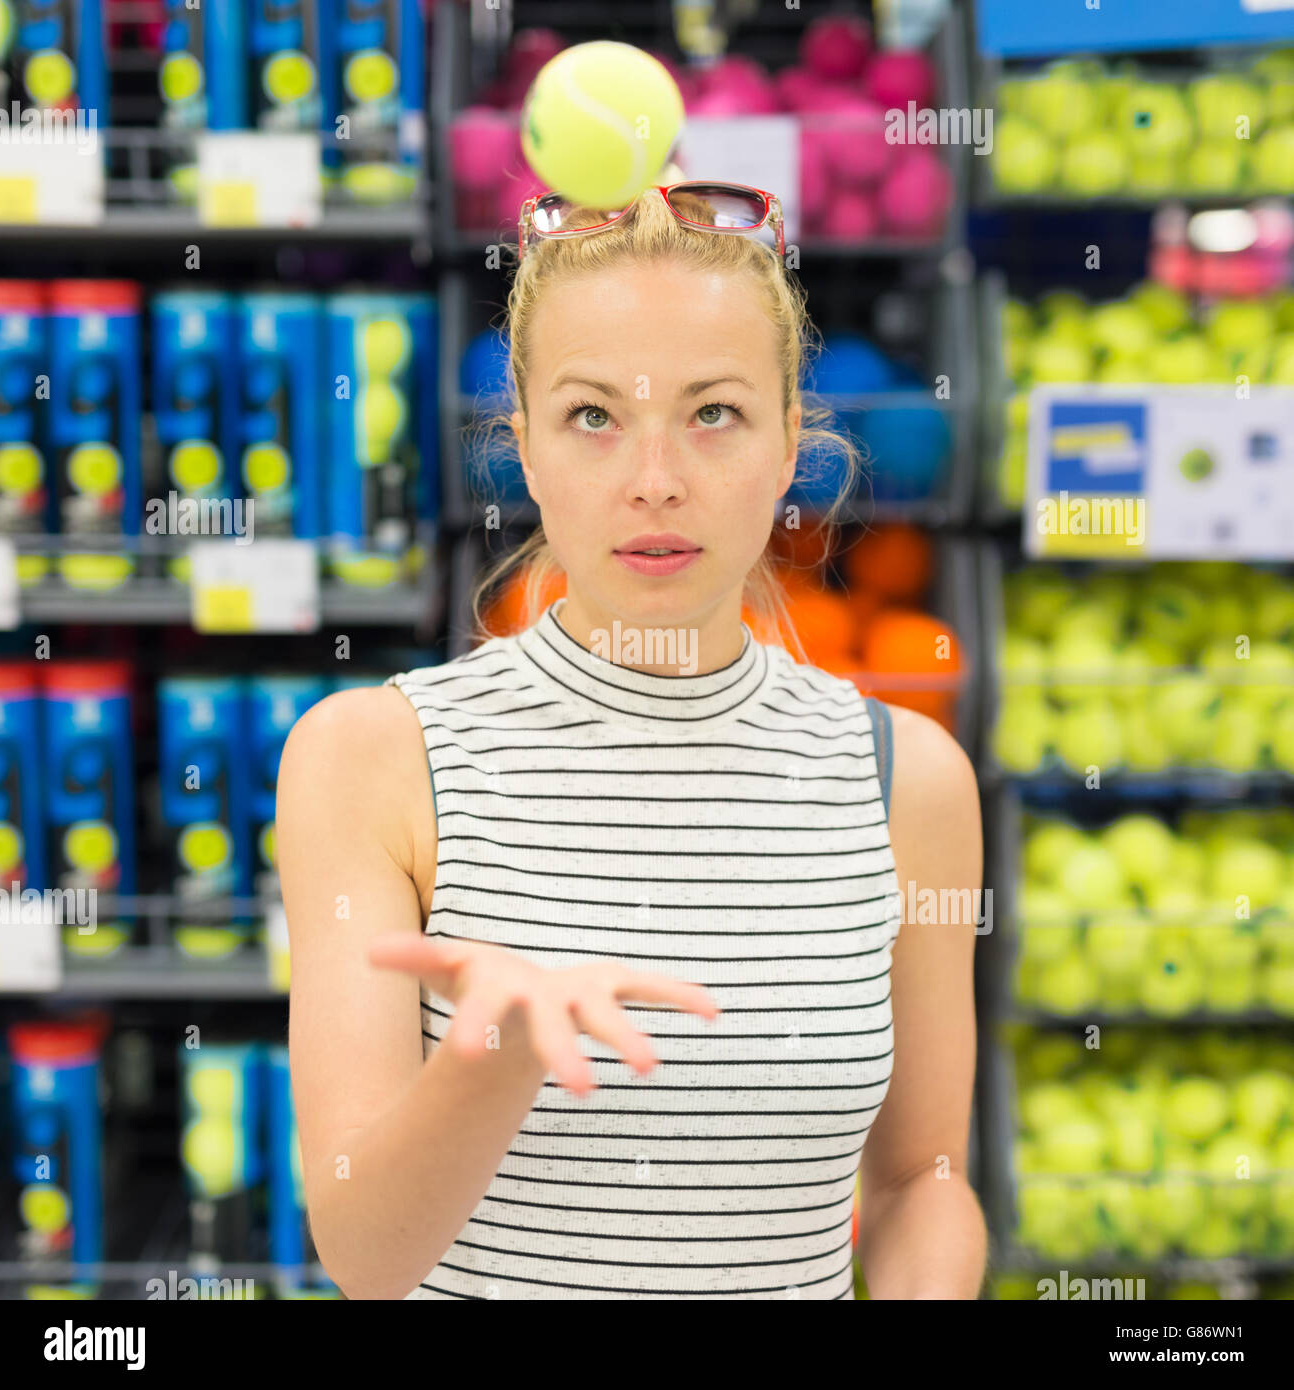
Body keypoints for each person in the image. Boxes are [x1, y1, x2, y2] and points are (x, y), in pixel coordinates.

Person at [277, 180, 985, 1300]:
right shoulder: (373, 759)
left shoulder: (907, 782)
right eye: (593, 416)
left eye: (713, 413)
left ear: (793, 435)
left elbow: (922, 1182)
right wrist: (495, 1054)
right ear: (525, 444)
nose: (654, 482)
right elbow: (363, 1256)